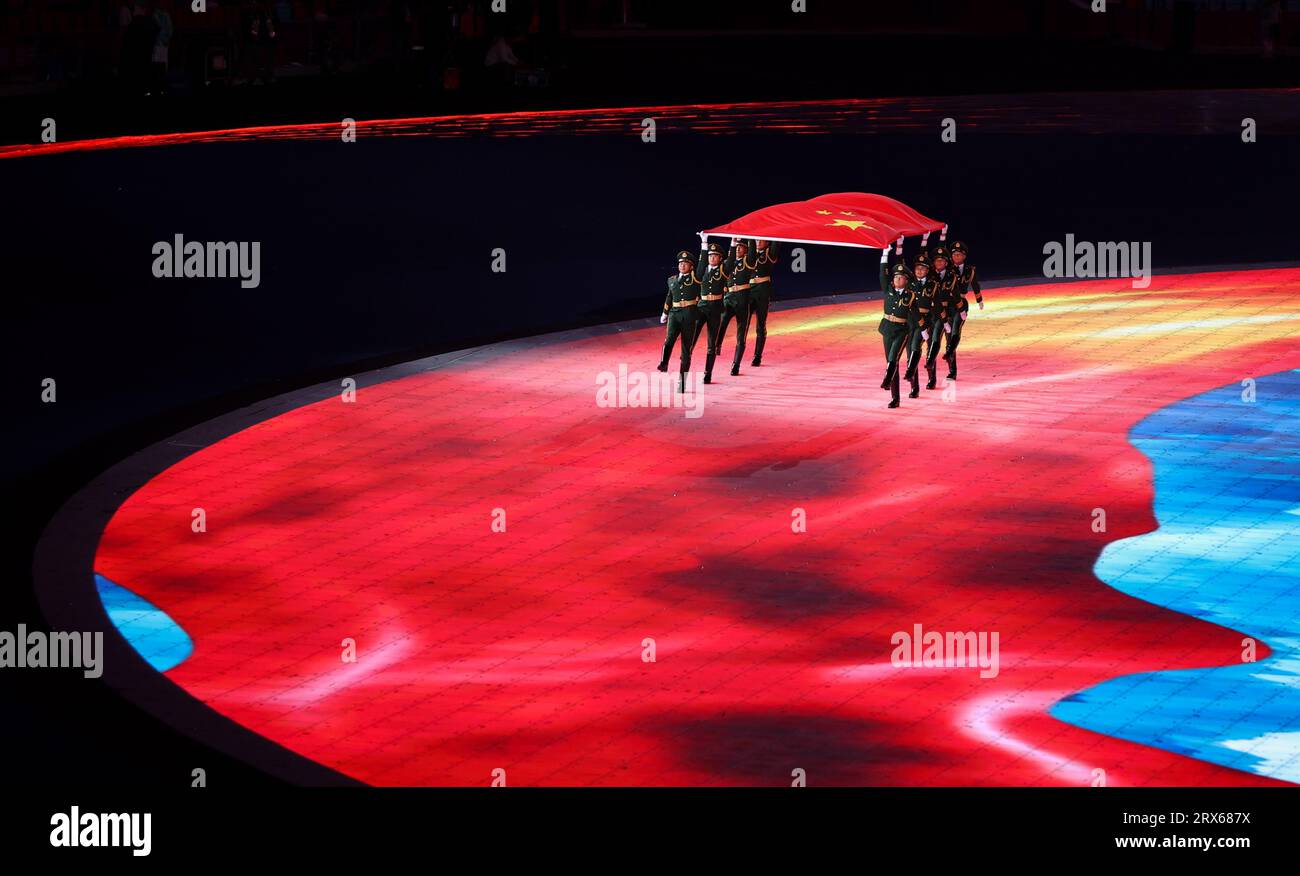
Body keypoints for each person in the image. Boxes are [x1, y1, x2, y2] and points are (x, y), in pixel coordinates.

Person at [658, 249, 701, 393]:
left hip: (689, 316)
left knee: (686, 350)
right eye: (680, 263)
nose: (682, 265)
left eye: (685, 263)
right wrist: (664, 313)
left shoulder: (696, 278)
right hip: (674, 315)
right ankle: (664, 363)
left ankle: (682, 383)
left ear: (691, 266)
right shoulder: (672, 280)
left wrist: (704, 244)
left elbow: (702, 265)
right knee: (669, 340)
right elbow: (669, 297)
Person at [878, 247, 914, 409]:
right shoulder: (888, 290)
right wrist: (885, 254)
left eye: (901, 277)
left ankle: (887, 382)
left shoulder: (910, 295)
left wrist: (923, 329)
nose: (898, 279)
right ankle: (895, 397)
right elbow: (882, 274)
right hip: (887, 329)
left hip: (901, 330)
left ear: (906, 280)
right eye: (896, 277)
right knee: (890, 362)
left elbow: (916, 316)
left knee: (893, 359)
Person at [690, 238, 728, 384]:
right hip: (702, 307)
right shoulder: (701, 270)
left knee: (711, 343)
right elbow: (702, 259)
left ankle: (708, 373)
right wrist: (703, 243)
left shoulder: (723, 270)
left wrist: (733, 242)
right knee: (691, 337)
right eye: (710, 255)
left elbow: (730, 260)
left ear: (720, 258)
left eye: (715, 256)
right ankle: (686, 358)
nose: (712, 258)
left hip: (715, 309)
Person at [945, 240, 983, 381]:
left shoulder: (969, 270)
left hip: (961, 303)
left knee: (956, 329)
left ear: (964, 256)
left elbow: (975, 284)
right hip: (948, 305)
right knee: (949, 336)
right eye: (954, 254)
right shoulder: (947, 269)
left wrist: (979, 300)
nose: (956, 257)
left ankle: (949, 350)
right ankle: (952, 370)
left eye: (959, 255)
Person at [716, 238, 754, 376]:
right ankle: (716, 345)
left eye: (741, 247)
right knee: (721, 323)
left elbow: (752, 252)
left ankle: (736, 364)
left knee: (741, 335)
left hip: (742, 301)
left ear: (746, 250)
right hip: (728, 299)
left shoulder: (748, 262)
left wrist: (750, 237)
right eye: (736, 246)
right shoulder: (726, 263)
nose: (738, 249)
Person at [902, 251, 935, 398]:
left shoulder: (932, 284)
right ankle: (914, 387)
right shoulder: (909, 284)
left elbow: (937, 304)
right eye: (917, 269)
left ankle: (931, 377)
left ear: (927, 270)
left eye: (922, 269)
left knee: (927, 351)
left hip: (927, 320)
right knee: (911, 353)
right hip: (910, 321)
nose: (919, 271)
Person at [925, 244, 958, 390]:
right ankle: (931, 378)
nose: (939, 263)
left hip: (948, 311)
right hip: (933, 314)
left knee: (949, 342)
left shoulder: (952, 275)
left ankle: (952, 370)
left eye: (942, 261)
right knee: (932, 343)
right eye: (936, 261)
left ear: (946, 262)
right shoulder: (929, 276)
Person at [748, 238, 779, 366]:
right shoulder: (749, 254)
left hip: (762, 292)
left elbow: (777, 242)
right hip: (748, 290)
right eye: (756, 240)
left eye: (761, 240)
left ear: (767, 243)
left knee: (760, 324)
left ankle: (757, 356)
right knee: (744, 324)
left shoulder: (769, 254)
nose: (758, 242)